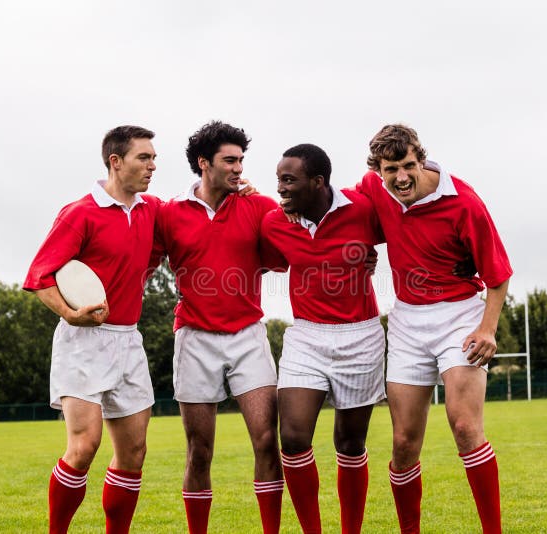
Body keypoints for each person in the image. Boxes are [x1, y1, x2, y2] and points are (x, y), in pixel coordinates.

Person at [358, 124, 513, 534]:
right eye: (391, 169)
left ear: (421, 159)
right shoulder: (374, 190)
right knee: (404, 444)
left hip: (459, 316)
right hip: (407, 321)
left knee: (464, 427)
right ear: (377, 170)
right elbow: (341, 215)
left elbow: (497, 274)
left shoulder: (463, 202)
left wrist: (488, 329)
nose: (402, 177)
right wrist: (362, 251)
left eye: (409, 165)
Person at [23, 125, 164, 534]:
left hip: (129, 339)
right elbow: (39, 277)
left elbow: (194, 208)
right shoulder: (79, 212)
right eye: (144, 157)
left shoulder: (151, 210)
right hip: (83, 340)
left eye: (154, 158)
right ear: (115, 161)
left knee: (134, 452)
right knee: (84, 446)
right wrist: (70, 313)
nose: (152, 165)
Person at [154, 121, 283, 534]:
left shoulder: (258, 206)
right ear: (203, 163)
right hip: (194, 338)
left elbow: (291, 253)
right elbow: (138, 259)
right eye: (230, 160)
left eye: (242, 160)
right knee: (199, 451)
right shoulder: (170, 213)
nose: (238, 168)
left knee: (267, 443)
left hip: (248, 335)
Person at [259, 144, 386, 534]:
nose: (280, 187)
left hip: (361, 335)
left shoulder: (363, 210)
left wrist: (371, 255)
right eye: (279, 178)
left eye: (289, 180)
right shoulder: (274, 223)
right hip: (306, 336)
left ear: (317, 182)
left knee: (349, 444)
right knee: (293, 438)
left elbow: (408, 228)